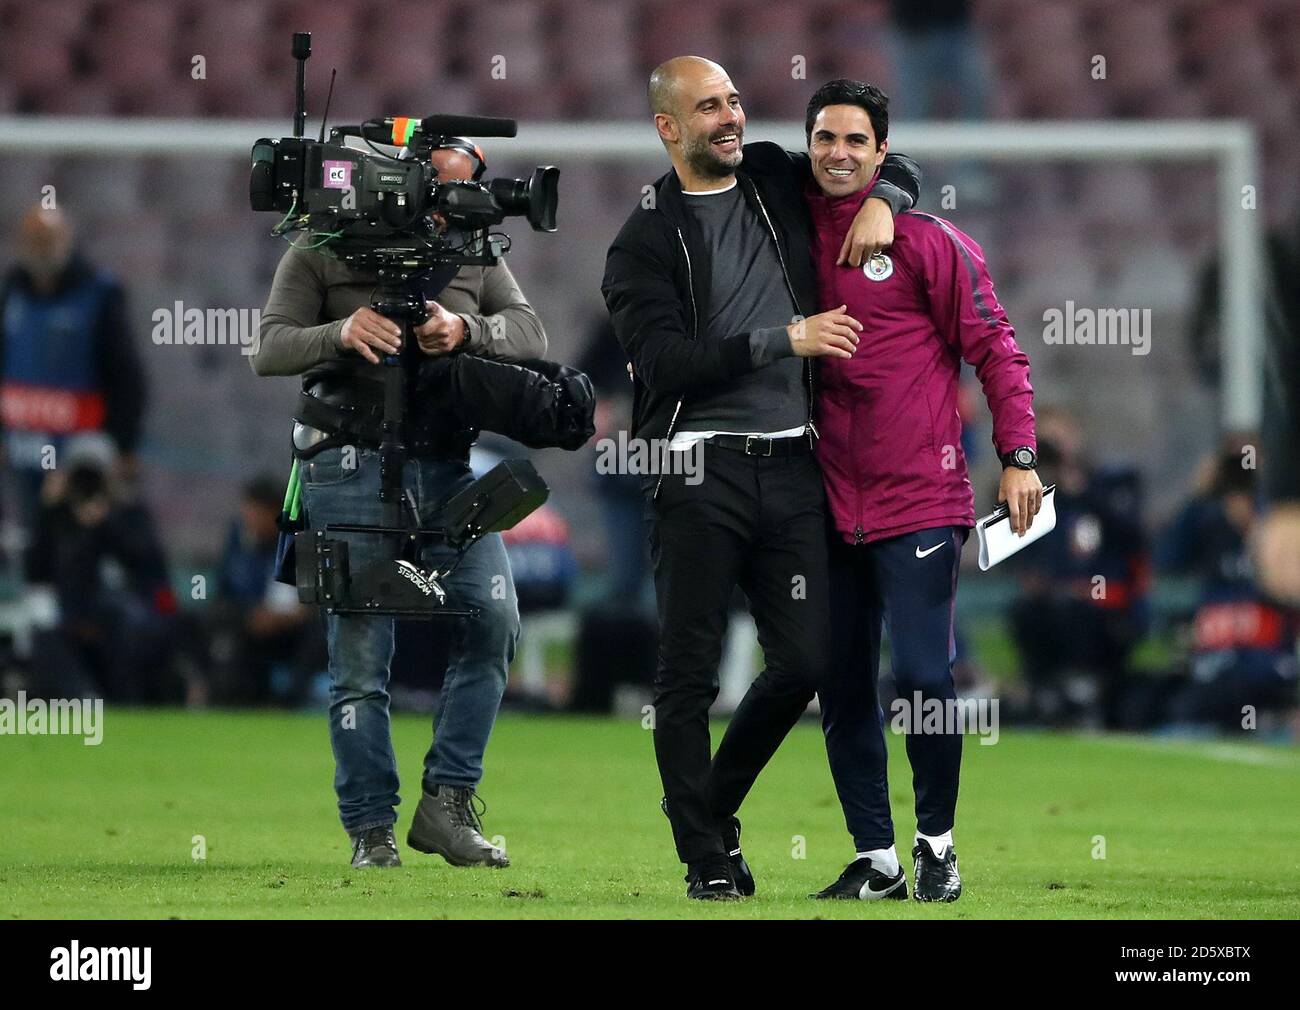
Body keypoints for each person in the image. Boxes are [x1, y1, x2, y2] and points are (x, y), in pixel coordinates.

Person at [602, 56, 921, 900]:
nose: (731, 116)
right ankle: (707, 861)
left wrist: (887, 203)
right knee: (687, 674)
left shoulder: (777, 173)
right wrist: (786, 339)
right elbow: (665, 365)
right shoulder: (641, 239)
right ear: (669, 127)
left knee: (805, 664)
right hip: (695, 472)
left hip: (790, 467)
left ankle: (707, 812)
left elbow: (885, 161)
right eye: (709, 107)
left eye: (736, 100)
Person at [251, 144, 546, 870]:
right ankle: (370, 831)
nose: (458, 198)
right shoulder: (322, 240)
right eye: (443, 183)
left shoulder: (474, 249)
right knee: (359, 659)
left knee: (494, 620)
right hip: (347, 462)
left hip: (449, 465)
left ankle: (446, 805)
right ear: (407, 179)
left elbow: (532, 332)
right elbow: (268, 347)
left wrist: (466, 330)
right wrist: (340, 334)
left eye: (467, 185)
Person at [799, 80, 1040, 902]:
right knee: (839, 682)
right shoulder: (784, 231)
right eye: (825, 138)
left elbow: (998, 349)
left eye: (856, 142)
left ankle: (937, 844)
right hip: (823, 500)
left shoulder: (931, 242)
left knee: (926, 682)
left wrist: (1019, 455)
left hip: (920, 500)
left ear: (879, 150)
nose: (838, 153)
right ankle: (877, 859)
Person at [0, 207, 146, 530]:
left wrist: (122, 444)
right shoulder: (12, 291)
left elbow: (127, 377)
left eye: (48, 241)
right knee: (31, 536)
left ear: (66, 241)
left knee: (78, 539)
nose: (40, 250)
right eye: (33, 241)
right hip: (23, 447)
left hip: (80, 455)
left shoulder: (99, 294)